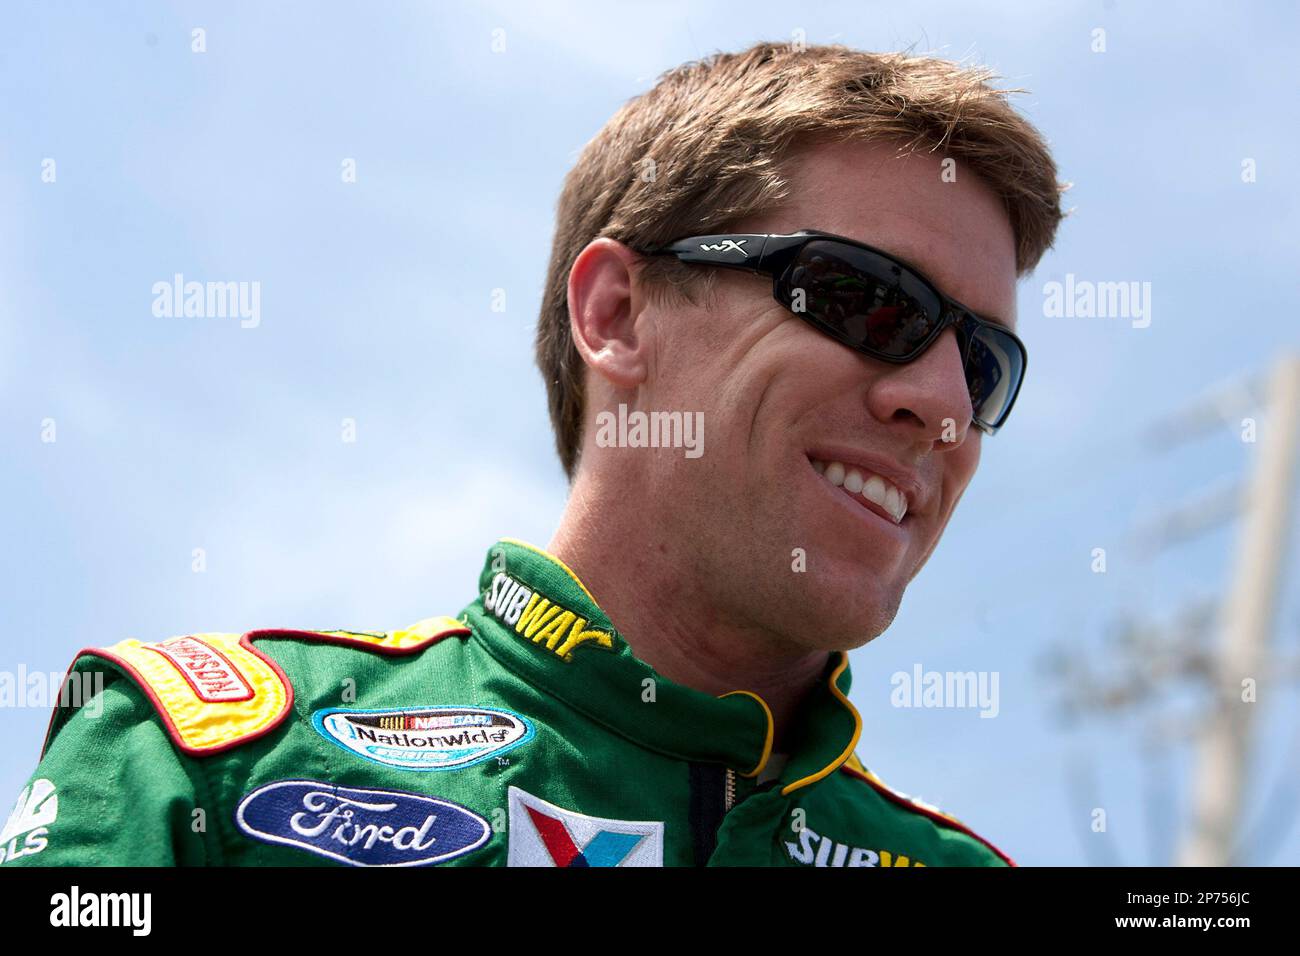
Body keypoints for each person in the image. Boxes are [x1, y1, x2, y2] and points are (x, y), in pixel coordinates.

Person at [2, 41, 1063, 868]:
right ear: (617, 314)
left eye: (983, 366)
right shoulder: (201, 761)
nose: (940, 406)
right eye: (867, 301)